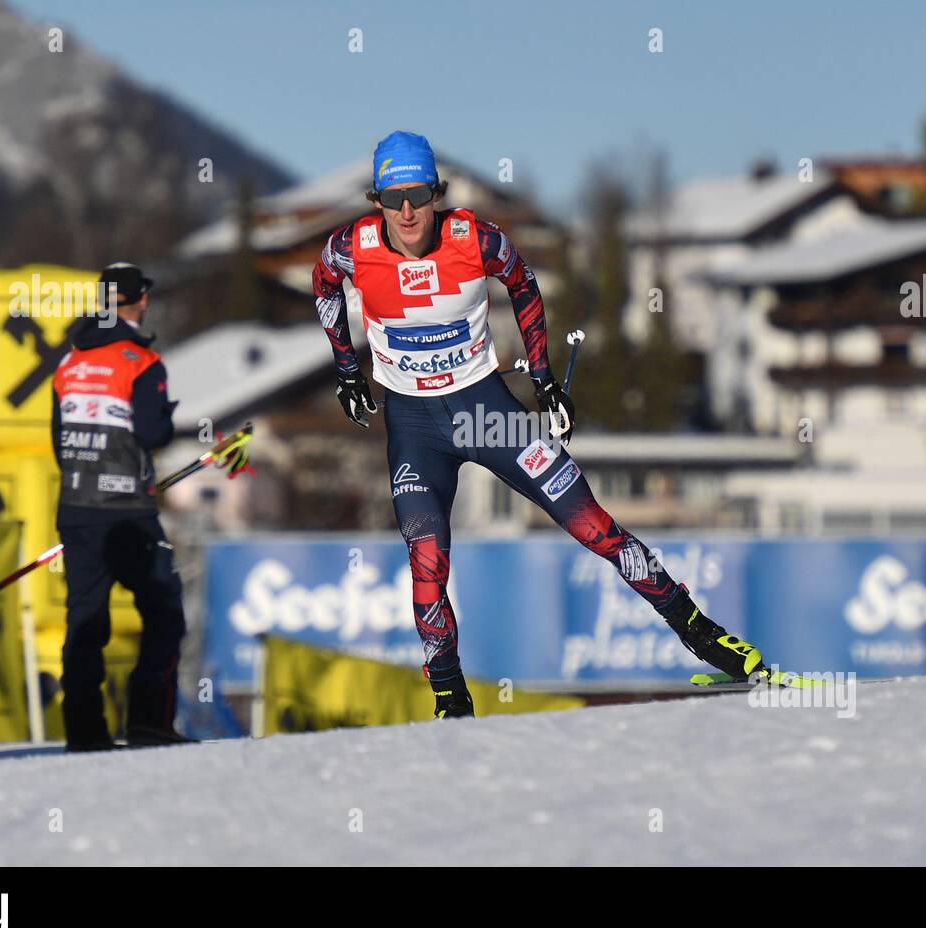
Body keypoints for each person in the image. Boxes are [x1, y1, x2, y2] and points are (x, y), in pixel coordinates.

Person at [312, 131, 771, 718]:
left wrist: (545, 379)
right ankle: (451, 698)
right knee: (427, 559)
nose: (407, 212)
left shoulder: (475, 238)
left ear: (436, 194)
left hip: (486, 413)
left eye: (419, 195)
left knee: (591, 525)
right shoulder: (351, 247)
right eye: (393, 197)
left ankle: (702, 634)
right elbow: (324, 286)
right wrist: (347, 369)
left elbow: (524, 285)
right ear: (376, 199)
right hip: (415, 426)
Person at [49, 263, 189, 751]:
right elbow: (152, 434)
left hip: (75, 503)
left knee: (86, 617)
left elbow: (56, 441)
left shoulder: (69, 362)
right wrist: (167, 420)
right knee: (165, 609)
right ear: (141, 301)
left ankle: (84, 731)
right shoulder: (140, 360)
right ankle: (149, 721)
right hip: (126, 506)